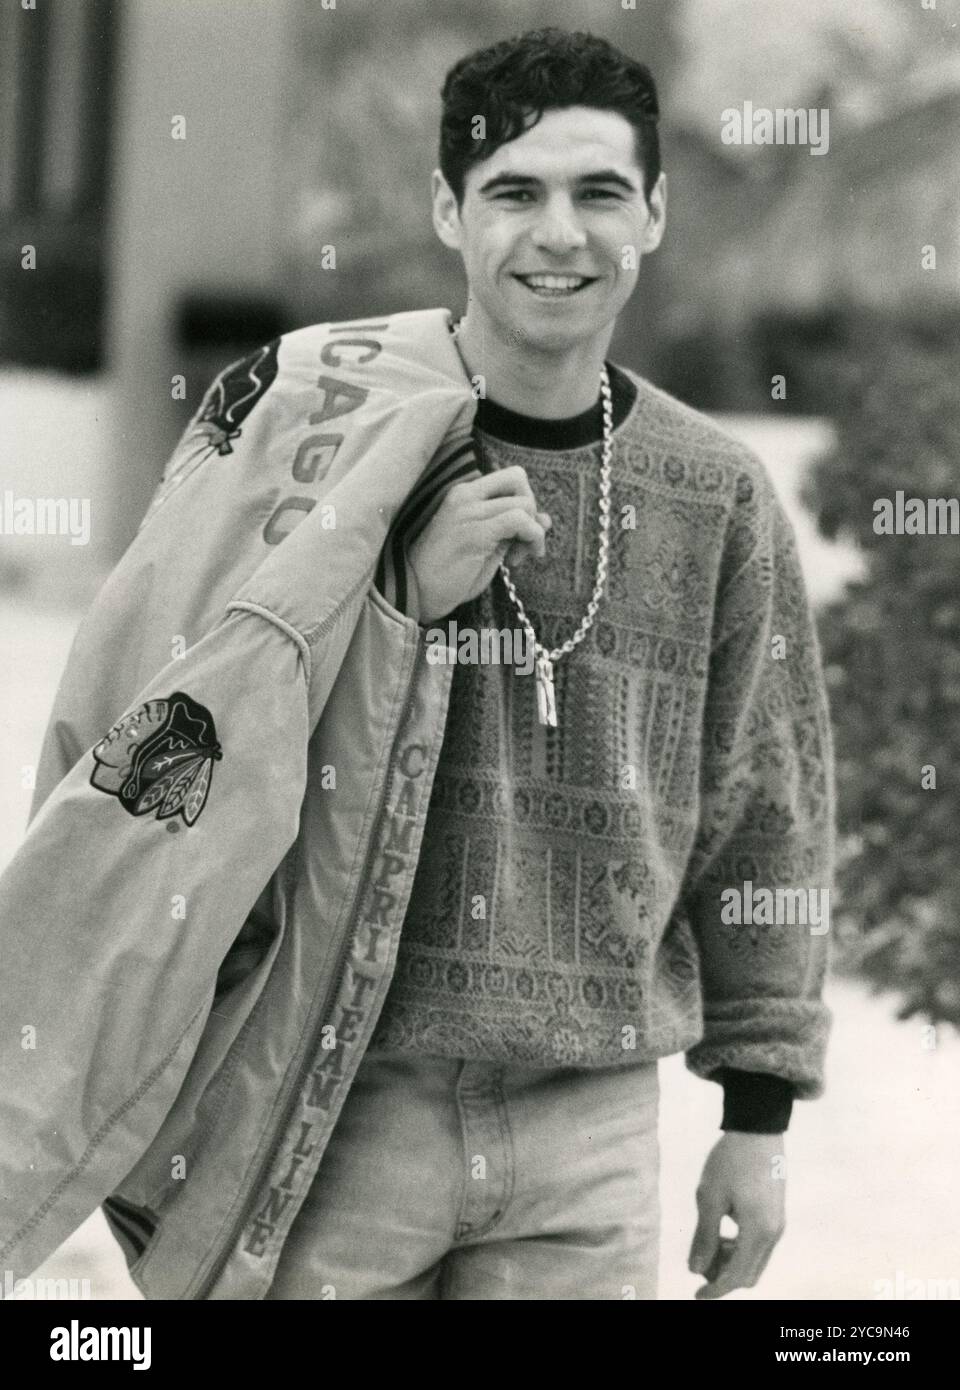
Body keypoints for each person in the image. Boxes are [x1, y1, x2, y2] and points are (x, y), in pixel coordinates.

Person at [261, 26, 836, 1300]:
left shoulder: (718, 492)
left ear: (658, 211)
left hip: (594, 1127)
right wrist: (400, 593)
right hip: (335, 1101)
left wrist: (759, 1117)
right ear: (446, 209)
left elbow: (768, 821)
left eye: (600, 193)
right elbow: (197, 725)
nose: (559, 234)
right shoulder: (314, 435)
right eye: (514, 191)